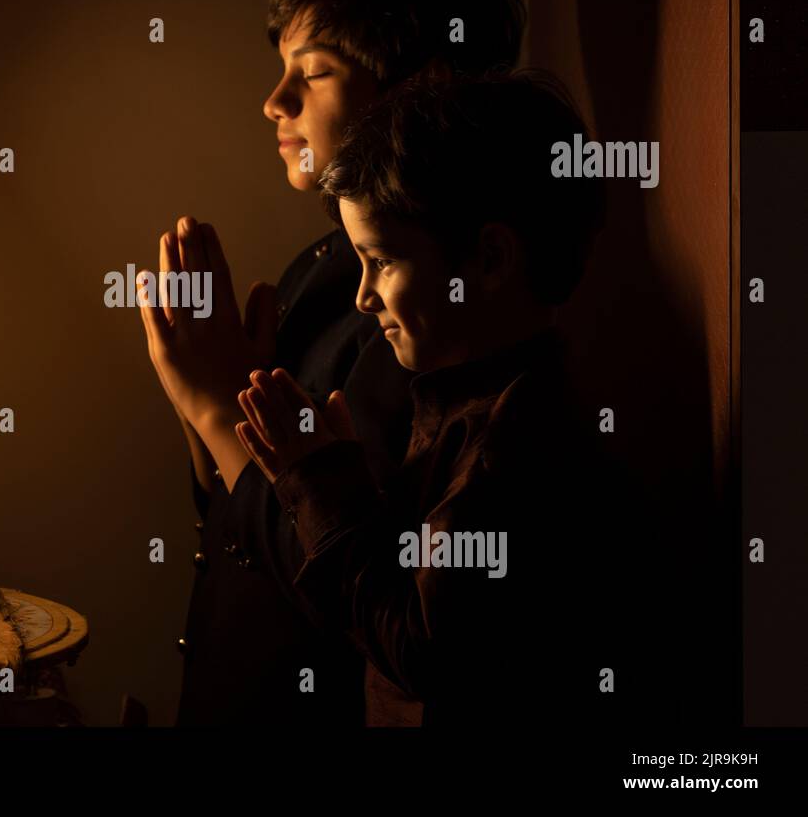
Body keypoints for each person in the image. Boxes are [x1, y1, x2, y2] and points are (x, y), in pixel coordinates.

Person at [138, 0, 527, 725]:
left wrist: (217, 407)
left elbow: (352, 575)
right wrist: (203, 402)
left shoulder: (423, 311)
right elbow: (235, 511)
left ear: (418, 90)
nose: (275, 100)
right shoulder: (323, 268)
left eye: (312, 73)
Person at [232, 72, 609, 725]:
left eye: (381, 260)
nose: (362, 295)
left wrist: (322, 485)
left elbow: (419, 647)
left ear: (490, 258)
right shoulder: (459, 405)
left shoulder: (510, 441)